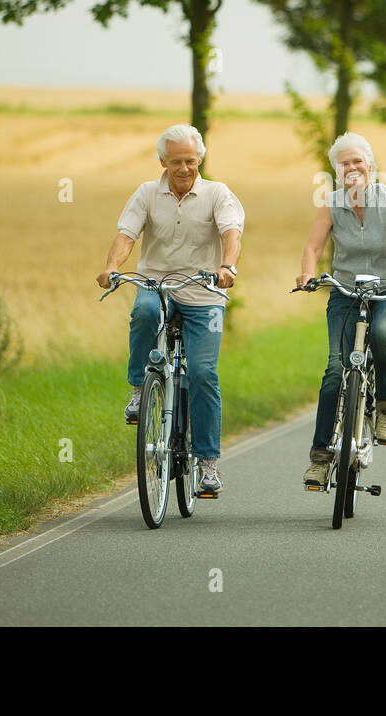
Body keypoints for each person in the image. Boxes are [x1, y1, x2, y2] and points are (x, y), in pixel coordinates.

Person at [97, 124, 244, 497]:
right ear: (162, 160)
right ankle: (137, 389)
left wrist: (227, 267)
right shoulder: (146, 193)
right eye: (176, 161)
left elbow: (231, 233)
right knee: (144, 313)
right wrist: (113, 267)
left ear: (200, 159)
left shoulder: (217, 194)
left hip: (204, 293)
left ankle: (208, 465)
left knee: (203, 373)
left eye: (190, 160)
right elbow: (126, 234)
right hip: (156, 285)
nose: (183, 168)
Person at [295, 132, 386, 489]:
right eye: (344, 163)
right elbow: (313, 247)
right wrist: (307, 274)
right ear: (337, 171)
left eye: (358, 161)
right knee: (334, 370)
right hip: (346, 292)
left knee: (382, 334)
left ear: (370, 166)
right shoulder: (331, 203)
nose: (352, 167)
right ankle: (320, 458)